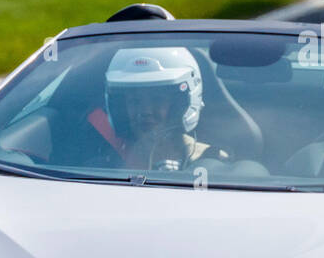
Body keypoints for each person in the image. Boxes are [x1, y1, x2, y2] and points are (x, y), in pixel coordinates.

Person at [89, 48, 230, 171]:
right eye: (135, 101)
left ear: (179, 104)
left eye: (157, 100)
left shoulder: (212, 162)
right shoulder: (105, 166)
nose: (145, 111)